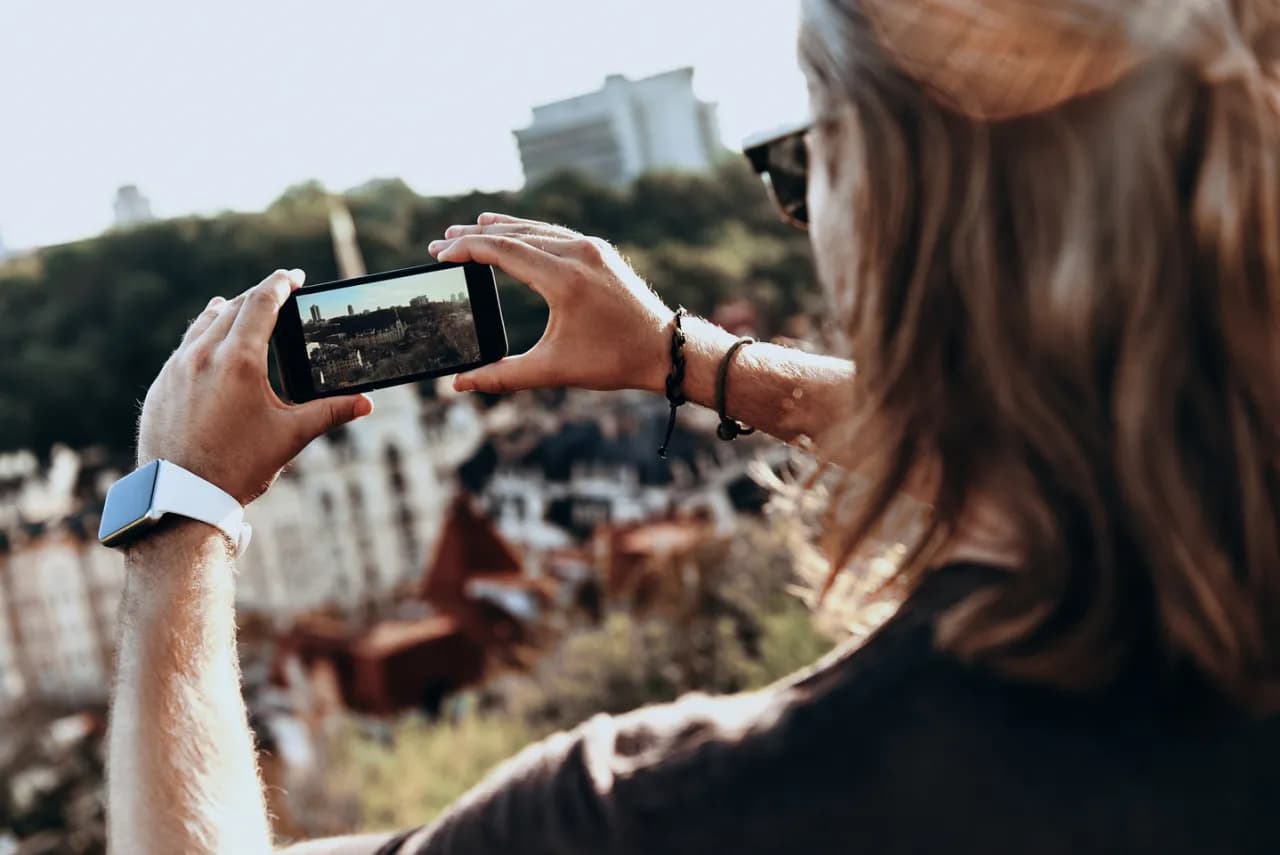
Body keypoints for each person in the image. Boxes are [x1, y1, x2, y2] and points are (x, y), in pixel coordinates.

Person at [106, 0, 1280, 852]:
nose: (794, 208)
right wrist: (685, 359)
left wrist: (181, 508)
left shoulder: (689, 810)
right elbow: (1061, 447)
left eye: (804, 160)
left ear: (891, 204)